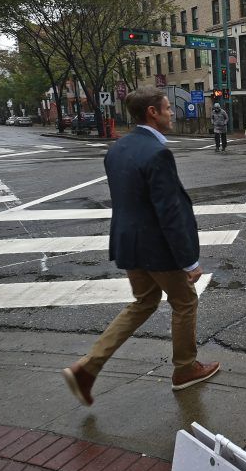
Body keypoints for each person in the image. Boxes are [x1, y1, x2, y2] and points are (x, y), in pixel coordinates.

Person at [62, 86, 219, 406]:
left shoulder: (117, 149)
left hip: (128, 243)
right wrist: (189, 261)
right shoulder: (158, 153)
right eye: (167, 108)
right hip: (158, 247)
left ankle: (87, 368)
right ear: (153, 112)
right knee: (185, 302)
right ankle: (185, 368)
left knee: (144, 302)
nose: (172, 112)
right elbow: (169, 211)